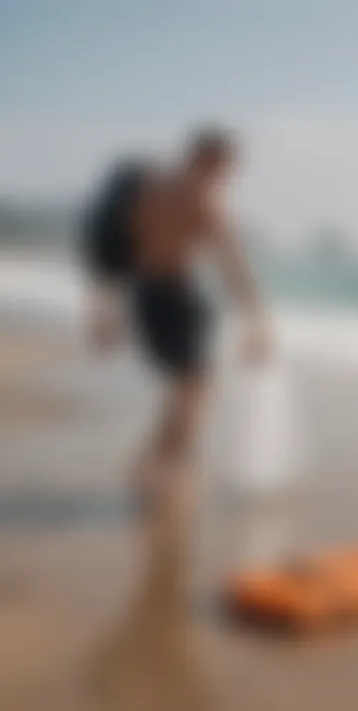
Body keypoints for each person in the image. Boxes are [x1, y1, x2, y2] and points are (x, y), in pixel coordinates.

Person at [86, 127, 272, 508]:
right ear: (210, 160)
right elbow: (232, 265)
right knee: (197, 390)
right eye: (225, 168)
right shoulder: (205, 201)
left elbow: (114, 254)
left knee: (185, 388)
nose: (225, 178)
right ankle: (162, 468)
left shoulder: (145, 190)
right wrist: (257, 321)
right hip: (178, 296)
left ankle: (154, 463)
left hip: (146, 296)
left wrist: (104, 311)